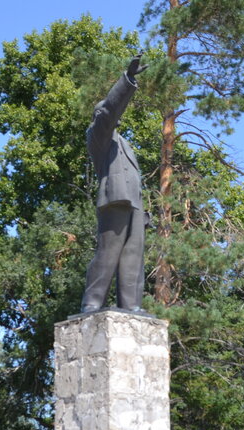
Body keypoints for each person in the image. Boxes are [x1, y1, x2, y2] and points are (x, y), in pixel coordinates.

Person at [80, 53, 150, 313]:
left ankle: (131, 305)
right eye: (107, 112)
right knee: (108, 253)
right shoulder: (98, 135)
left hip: (134, 206)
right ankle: (92, 302)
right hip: (114, 200)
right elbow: (109, 110)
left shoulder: (125, 145)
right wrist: (127, 80)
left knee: (133, 256)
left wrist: (143, 211)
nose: (114, 115)